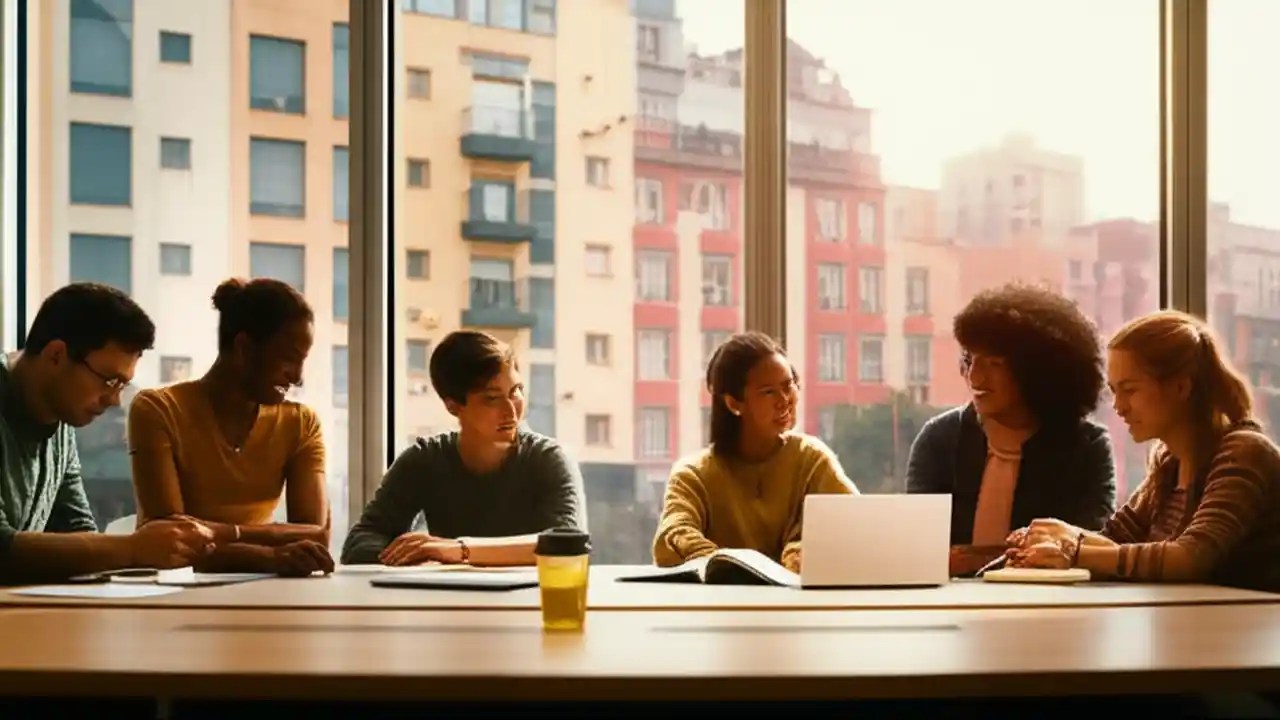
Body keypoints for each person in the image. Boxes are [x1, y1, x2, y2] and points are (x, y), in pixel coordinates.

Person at [1006, 310, 1280, 591]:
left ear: (1180, 387)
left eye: (1130, 390)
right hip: (1199, 624)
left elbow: (1192, 557)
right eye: (1114, 391)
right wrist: (1059, 538)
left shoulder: (1244, 452)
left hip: (1250, 628)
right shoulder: (1169, 464)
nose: (1119, 407)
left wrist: (1073, 549)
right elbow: (1116, 542)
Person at [0, 283, 214, 581]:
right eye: (110, 381)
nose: (114, 401)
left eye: (122, 386)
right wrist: (133, 549)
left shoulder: (59, 420)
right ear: (56, 355)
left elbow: (77, 530)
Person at [905, 282, 1116, 575]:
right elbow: (918, 547)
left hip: (1051, 607)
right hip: (949, 606)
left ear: (1039, 370)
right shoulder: (939, 438)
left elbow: (1087, 548)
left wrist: (971, 559)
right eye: (969, 360)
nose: (975, 377)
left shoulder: (1086, 446)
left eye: (994, 363)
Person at [128, 279, 333, 577]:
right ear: (244, 348)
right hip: (172, 589)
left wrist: (219, 534)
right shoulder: (158, 409)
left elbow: (317, 536)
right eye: (289, 359)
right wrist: (269, 553)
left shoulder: (300, 423)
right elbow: (172, 541)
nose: (298, 377)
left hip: (262, 587)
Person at [341, 330, 586, 567]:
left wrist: (456, 550)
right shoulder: (426, 459)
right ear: (453, 405)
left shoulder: (548, 459)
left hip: (530, 602)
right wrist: (415, 558)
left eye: (516, 392)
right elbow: (361, 541)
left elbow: (566, 543)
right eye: (492, 398)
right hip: (450, 601)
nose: (511, 411)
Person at [652, 331, 857, 573]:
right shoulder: (693, 475)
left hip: (800, 608)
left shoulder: (812, 459)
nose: (784, 400)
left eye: (788, 385)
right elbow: (673, 534)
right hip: (720, 605)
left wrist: (803, 552)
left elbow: (853, 524)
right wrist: (726, 566)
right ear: (733, 403)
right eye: (768, 392)